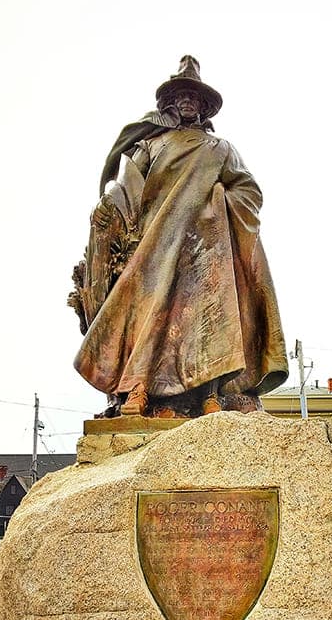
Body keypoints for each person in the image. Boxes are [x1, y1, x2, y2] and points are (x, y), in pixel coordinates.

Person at [68, 56, 288, 418]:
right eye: (181, 95)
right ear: (170, 103)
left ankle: (210, 393)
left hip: (205, 248)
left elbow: (249, 192)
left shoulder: (221, 149)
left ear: (203, 106)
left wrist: (219, 204)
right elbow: (127, 186)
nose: (187, 101)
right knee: (148, 314)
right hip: (156, 244)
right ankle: (137, 387)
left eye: (193, 97)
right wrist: (111, 206)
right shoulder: (152, 145)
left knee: (209, 319)